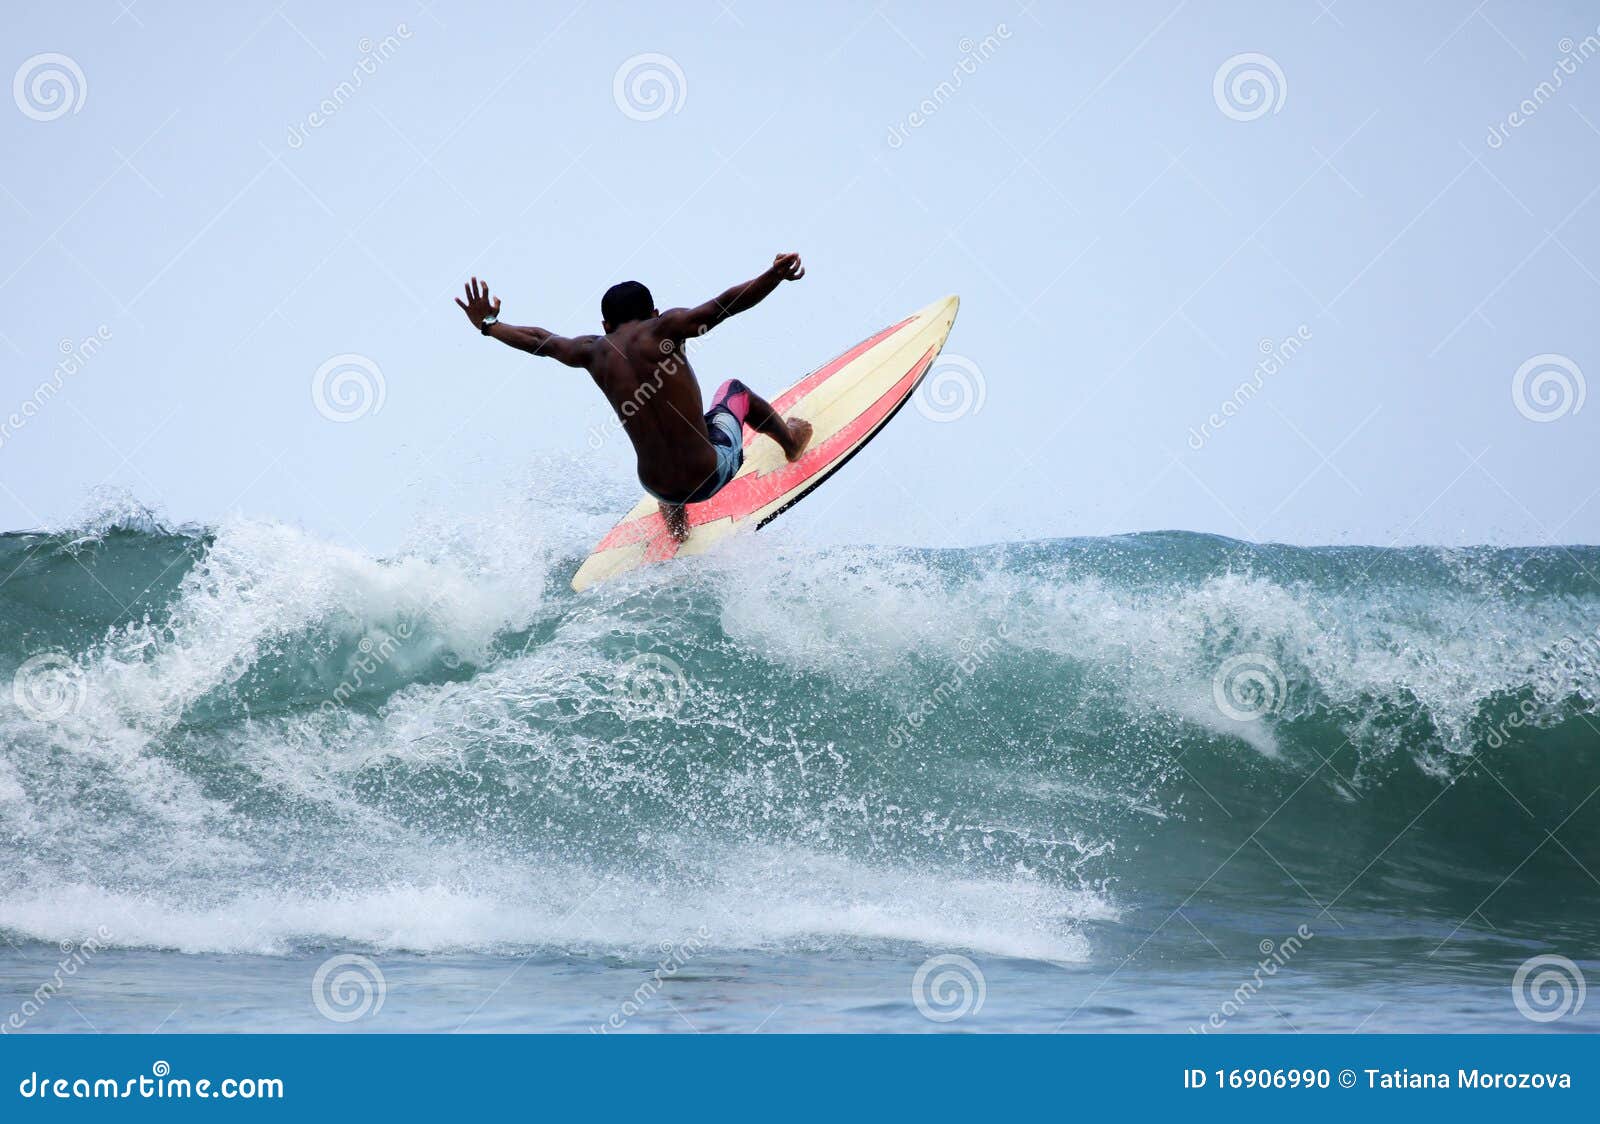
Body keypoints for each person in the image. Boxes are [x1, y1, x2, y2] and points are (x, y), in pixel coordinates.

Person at [456, 254, 814, 542]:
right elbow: (726, 304)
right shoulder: (668, 327)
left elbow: (539, 340)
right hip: (711, 475)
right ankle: (792, 442)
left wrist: (489, 325)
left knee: (672, 437)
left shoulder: (592, 351)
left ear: (605, 326)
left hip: (656, 484)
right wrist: (774, 275)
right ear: (654, 313)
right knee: (734, 392)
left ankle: (677, 528)